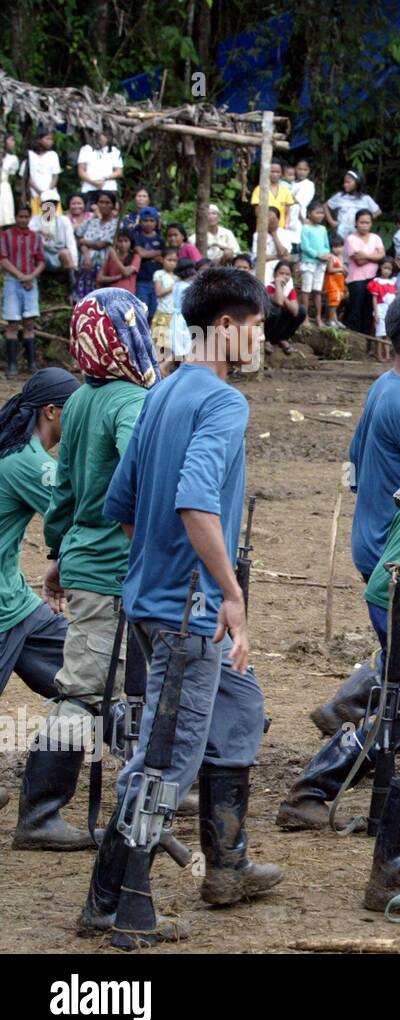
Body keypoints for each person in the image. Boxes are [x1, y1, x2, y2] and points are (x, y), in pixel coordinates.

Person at [79, 267, 282, 948]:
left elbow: (124, 508)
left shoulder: (160, 391)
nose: (261, 342)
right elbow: (194, 502)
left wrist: (165, 570)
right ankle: (125, 908)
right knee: (162, 765)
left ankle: (218, 862)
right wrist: (229, 594)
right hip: (187, 614)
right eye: (256, 328)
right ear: (225, 328)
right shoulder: (223, 404)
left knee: (233, 711)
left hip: (153, 604)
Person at [277, 291, 400, 834]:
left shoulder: (385, 388)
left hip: (372, 541)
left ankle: (350, 708)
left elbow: (354, 455)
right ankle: (317, 785)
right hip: (393, 556)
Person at [21, 291, 157, 851]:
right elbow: (135, 473)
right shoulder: (131, 402)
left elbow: (66, 491)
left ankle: (152, 783)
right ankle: (40, 814)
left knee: (122, 683)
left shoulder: (79, 401)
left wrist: (57, 553)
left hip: (85, 558)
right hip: (114, 566)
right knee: (82, 691)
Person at [0, 369, 82, 821]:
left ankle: (154, 775)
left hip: (16, 602)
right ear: (52, 412)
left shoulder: (12, 451)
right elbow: (75, 514)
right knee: (89, 675)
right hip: (3, 609)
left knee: (85, 675)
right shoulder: (28, 462)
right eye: (76, 412)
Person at [1, 206, 46, 376]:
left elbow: (41, 261)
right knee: (12, 324)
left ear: (29, 217)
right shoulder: (5, 236)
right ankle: (12, 365)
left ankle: (32, 364)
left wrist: (31, 276)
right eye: (20, 216)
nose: (23, 219)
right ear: (15, 217)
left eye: (26, 216)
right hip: (12, 281)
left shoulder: (35, 237)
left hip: (30, 281)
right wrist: (22, 276)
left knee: (29, 323)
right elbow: (3, 259)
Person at [32, 189, 79, 304]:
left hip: (58, 254)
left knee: (66, 253)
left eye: (53, 204)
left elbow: (71, 243)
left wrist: (75, 264)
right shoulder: (35, 221)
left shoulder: (64, 220)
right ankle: (36, 292)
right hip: (42, 254)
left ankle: (72, 292)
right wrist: (39, 231)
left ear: (57, 205)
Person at [344, 211, 385, 335]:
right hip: (356, 279)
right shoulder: (351, 239)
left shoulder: (375, 237)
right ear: (356, 223)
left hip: (373, 278)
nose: (364, 225)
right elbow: (359, 261)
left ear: (371, 223)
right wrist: (375, 256)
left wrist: (366, 255)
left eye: (367, 222)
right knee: (356, 308)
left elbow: (382, 255)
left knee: (369, 309)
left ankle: (366, 337)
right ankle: (354, 336)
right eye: (362, 222)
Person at [76, 192, 118, 302]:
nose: (104, 205)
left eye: (107, 202)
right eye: (101, 202)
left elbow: (101, 245)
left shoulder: (116, 225)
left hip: (103, 266)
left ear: (113, 205)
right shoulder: (91, 222)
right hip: (86, 264)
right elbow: (79, 238)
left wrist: (85, 241)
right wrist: (87, 256)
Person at [298, 200, 330, 324]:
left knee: (317, 290)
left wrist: (326, 254)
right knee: (306, 290)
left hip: (321, 264)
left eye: (322, 213)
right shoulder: (305, 228)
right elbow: (305, 247)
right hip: (309, 263)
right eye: (317, 212)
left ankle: (318, 317)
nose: (321, 215)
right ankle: (304, 317)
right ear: (309, 214)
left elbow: (327, 245)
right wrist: (318, 255)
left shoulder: (323, 229)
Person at [265, 259, 307, 353]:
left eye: (287, 274)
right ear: (275, 274)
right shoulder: (269, 286)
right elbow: (279, 302)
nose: (284, 276)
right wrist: (278, 284)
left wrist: (284, 296)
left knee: (302, 310)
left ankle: (282, 338)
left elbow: (295, 311)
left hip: (281, 325)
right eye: (281, 273)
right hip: (269, 325)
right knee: (276, 310)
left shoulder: (289, 289)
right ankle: (266, 340)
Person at [130, 207, 164, 319]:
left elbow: (164, 259)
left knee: (154, 312)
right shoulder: (137, 237)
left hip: (157, 282)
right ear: (140, 222)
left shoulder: (160, 240)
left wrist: (149, 254)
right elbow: (141, 253)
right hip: (142, 281)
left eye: (151, 220)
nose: (148, 223)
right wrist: (158, 252)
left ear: (156, 222)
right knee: (141, 311)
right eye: (145, 220)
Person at [326, 170, 380, 239]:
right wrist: (331, 221)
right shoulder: (340, 196)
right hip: (342, 230)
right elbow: (326, 206)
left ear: (357, 183)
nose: (345, 184)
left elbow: (378, 211)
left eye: (348, 182)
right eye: (344, 182)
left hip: (358, 231)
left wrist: (365, 221)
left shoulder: (366, 198)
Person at [249, 162, 296, 240]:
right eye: (272, 171)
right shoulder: (259, 189)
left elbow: (288, 213)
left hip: (281, 230)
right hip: (263, 230)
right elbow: (257, 212)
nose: (275, 174)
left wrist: (286, 227)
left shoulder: (285, 191)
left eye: (277, 172)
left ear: (281, 174)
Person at [250, 206, 292, 286]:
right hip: (263, 268)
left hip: (280, 269)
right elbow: (259, 257)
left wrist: (274, 234)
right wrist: (277, 256)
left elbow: (284, 254)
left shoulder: (285, 234)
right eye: (267, 218)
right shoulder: (257, 235)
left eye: (272, 218)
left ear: (278, 220)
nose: (269, 221)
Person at [76, 132, 124, 200]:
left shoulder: (114, 150)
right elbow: (81, 171)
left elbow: (119, 172)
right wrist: (93, 182)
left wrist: (105, 178)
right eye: (98, 135)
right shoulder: (85, 149)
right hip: (89, 189)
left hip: (109, 188)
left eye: (103, 135)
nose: (101, 138)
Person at [24, 129, 61, 214]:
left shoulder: (53, 155)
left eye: (51, 139)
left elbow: (55, 176)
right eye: (47, 139)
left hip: (50, 196)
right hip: (34, 195)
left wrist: (47, 192)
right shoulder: (29, 155)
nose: (50, 142)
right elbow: (27, 176)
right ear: (39, 140)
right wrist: (39, 191)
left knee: (49, 220)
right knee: (36, 221)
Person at [97, 229, 140, 299]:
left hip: (127, 296)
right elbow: (100, 278)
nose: (123, 244)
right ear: (116, 242)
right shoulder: (109, 258)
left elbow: (126, 273)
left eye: (126, 241)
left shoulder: (136, 257)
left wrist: (115, 258)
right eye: (120, 241)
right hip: (112, 295)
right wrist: (118, 277)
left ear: (131, 242)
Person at [151, 248, 179, 352]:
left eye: (174, 260)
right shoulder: (159, 274)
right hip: (163, 312)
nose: (172, 263)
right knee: (160, 345)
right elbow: (158, 293)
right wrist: (173, 287)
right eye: (169, 260)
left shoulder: (177, 277)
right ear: (162, 259)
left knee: (171, 345)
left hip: (174, 314)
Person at [367, 257, 399, 348]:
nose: (387, 271)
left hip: (390, 310)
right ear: (380, 267)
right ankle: (379, 354)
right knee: (380, 331)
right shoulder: (376, 282)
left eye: (389, 269)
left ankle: (387, 355)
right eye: (385, 268)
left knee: (388, 332)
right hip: (380, 309)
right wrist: (376, 313)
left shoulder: (393, 282)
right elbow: (374, 299)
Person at [323, 234, 347, 329]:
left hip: (339, 282)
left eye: (340, 246)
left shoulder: (340, 257)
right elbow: (330, 270)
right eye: (335, 247)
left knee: (337, 301)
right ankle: (330, 320)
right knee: (333, 302)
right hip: (332, 282)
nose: (338, 249)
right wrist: (341, 269)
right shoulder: (331, 257)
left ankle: (335, 319)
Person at [1, 133, 19, 228]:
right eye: (11, 140)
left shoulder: (12, 159)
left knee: (3, 216)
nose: (13, 143)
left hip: (3, 187)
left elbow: (11, 177)